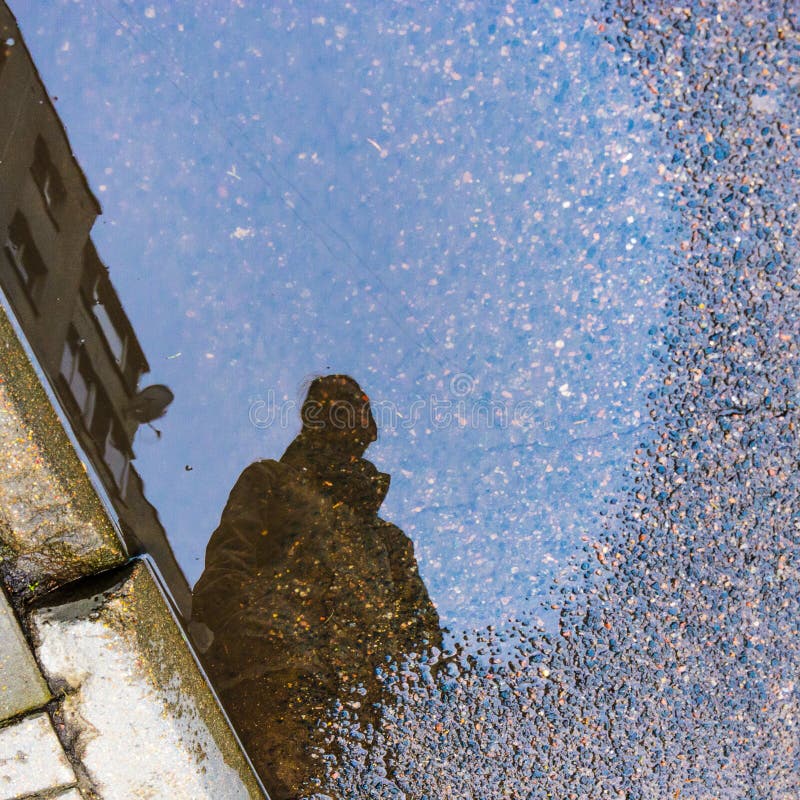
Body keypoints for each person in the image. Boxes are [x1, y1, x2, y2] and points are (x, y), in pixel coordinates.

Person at [191, 375, 441, 799]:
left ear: (370, 428)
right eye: (334, 403)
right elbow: (223, 572)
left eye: (358, 404)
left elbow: (424, 639)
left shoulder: (389, 542)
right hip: (271, 679)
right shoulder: (271, 480)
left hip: (359, 718)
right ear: (312, 417)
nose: (348, 413)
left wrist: (394, 700)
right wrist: (260, 636)